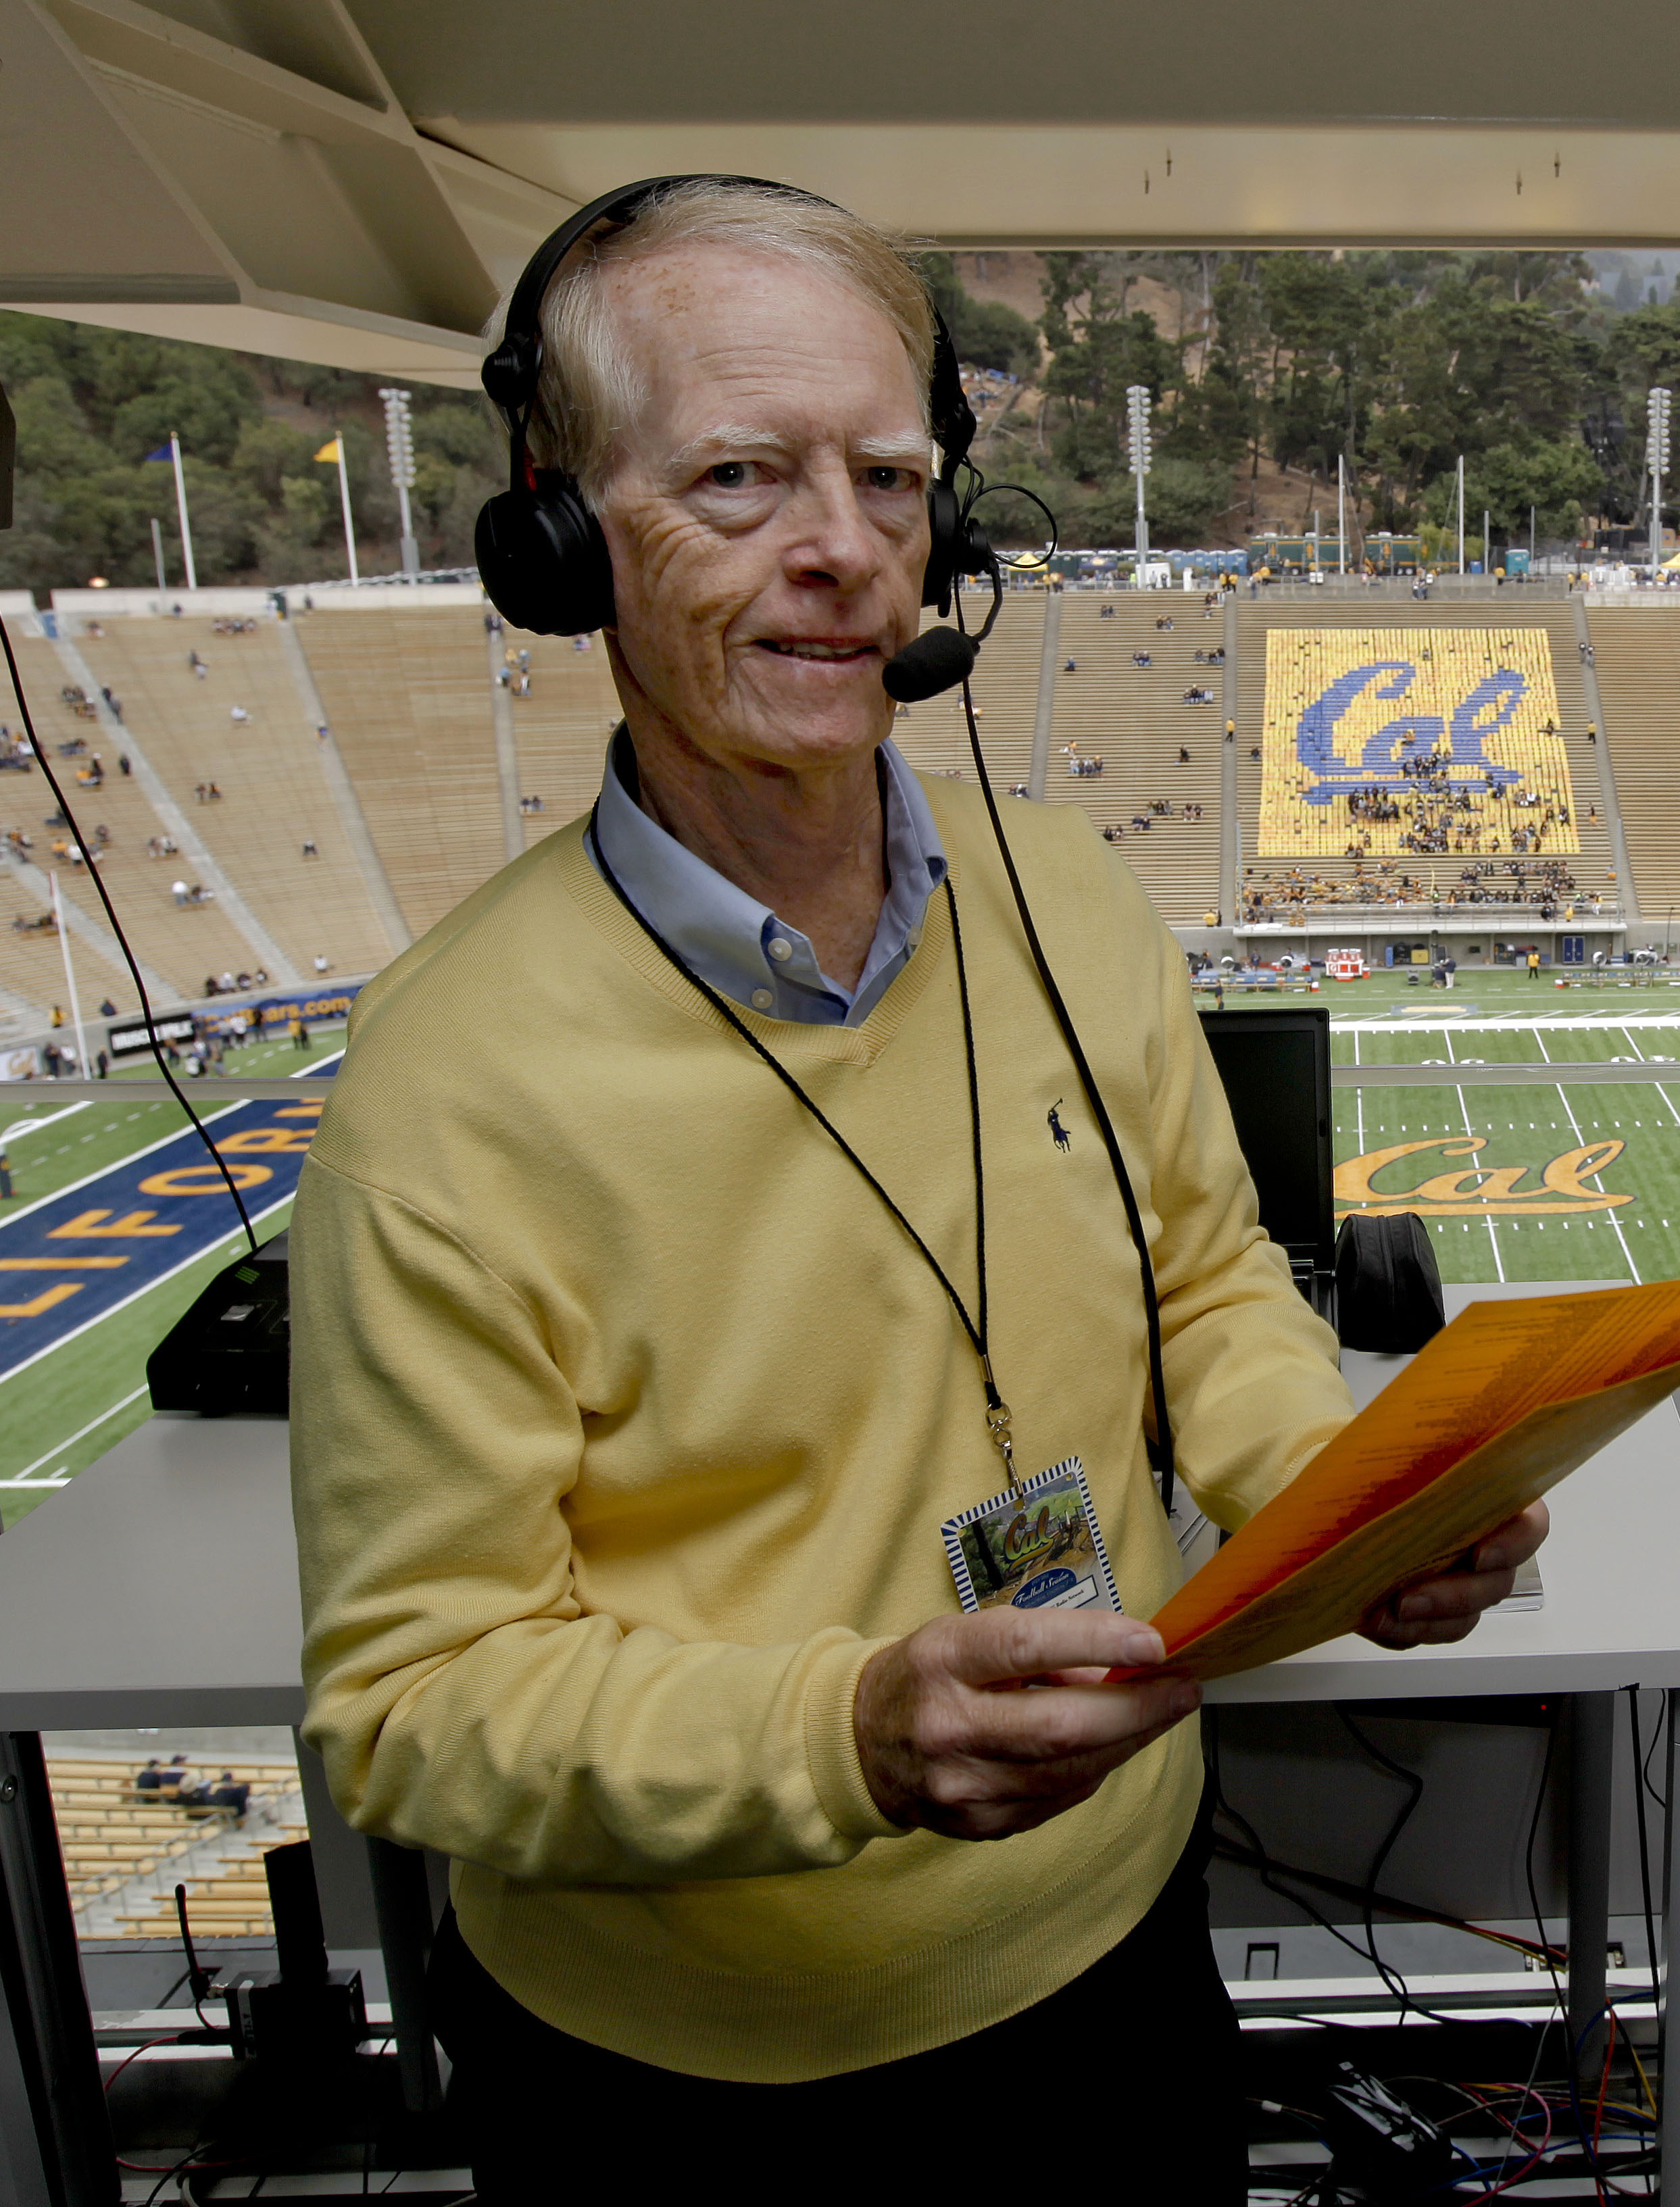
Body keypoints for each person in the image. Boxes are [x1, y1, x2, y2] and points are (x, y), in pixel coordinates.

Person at [289, 180, 1546, 2202]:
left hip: (1119, 1959)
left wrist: (1337, 1503)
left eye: (889, 477)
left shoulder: (1071, 894)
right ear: (554, 525)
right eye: (736, 478)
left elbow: (1210, 1288)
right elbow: (414, 1701)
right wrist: (845, 1735)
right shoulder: (450, 1083)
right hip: (693, 2086)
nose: (845, 556)